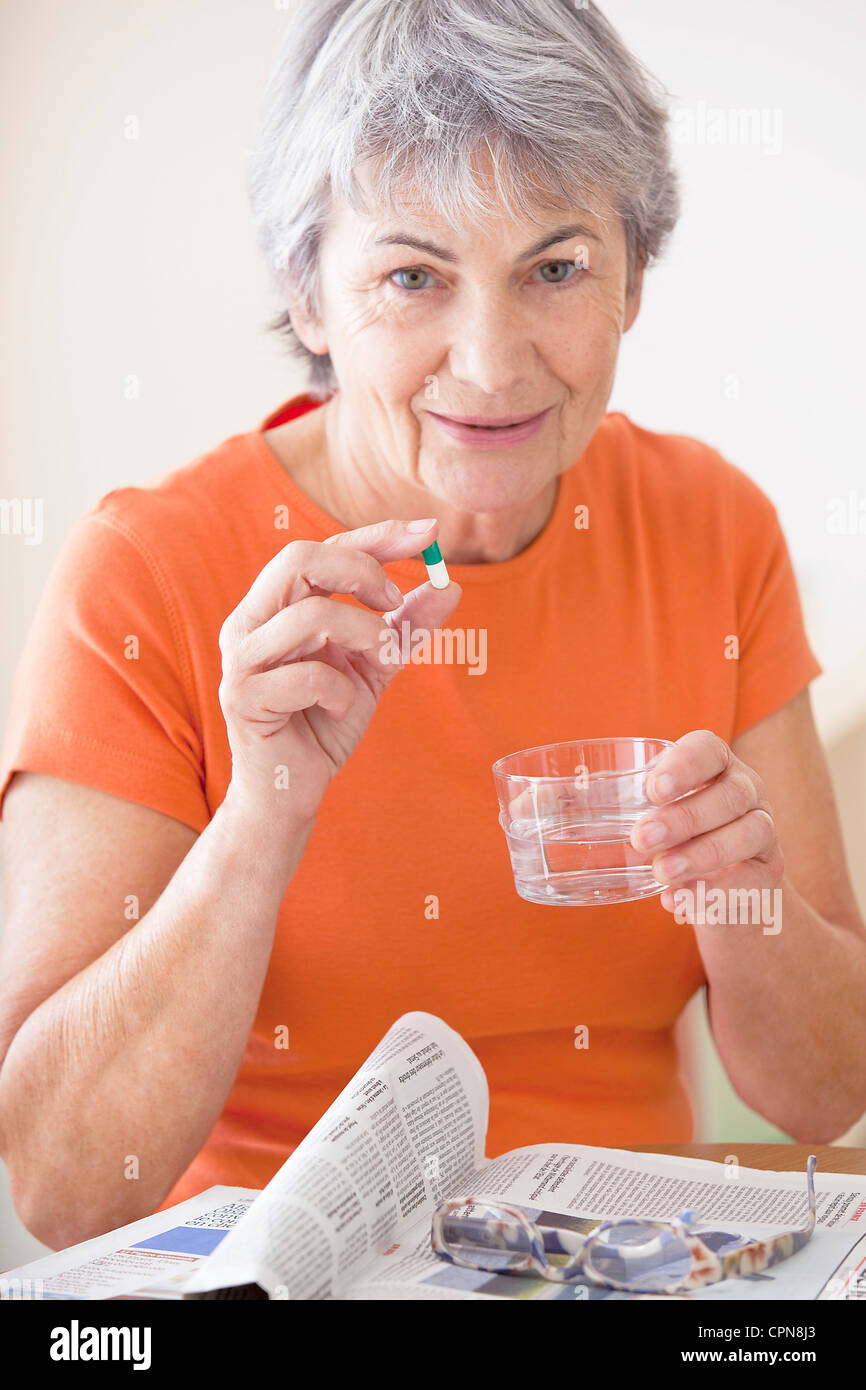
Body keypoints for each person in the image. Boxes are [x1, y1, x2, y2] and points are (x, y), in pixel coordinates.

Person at [1, 0, 864, 1252]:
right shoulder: (146, 571)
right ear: (308, 295)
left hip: (620, 1270)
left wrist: (744, 898)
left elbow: (825, 1092)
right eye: (412, 276)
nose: (493, 363)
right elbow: (64, 1185)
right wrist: (261, 817)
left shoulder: (709, 527)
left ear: (630, 279)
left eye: (553, 269)